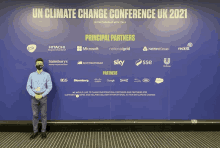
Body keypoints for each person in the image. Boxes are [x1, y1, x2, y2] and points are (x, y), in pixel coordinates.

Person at [26, 58, 52, 140]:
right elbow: (28, 87)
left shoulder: (47, 75)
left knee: (44, 115)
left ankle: (43, 131)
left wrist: (42, 95)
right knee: (35, 115)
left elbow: (50, 87)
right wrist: (34, 95)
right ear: (35, 65)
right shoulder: (31, 75)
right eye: (38, 63)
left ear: (43, 65)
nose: (39, 64)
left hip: (43, 97)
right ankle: (35, 131)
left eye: (41, 63)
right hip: (34, 97)